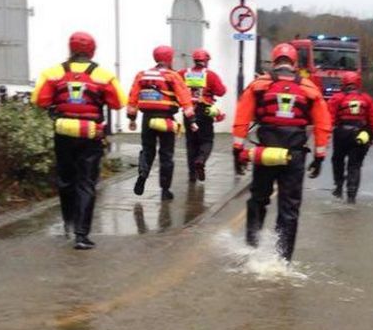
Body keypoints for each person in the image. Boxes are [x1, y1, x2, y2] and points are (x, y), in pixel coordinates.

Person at [232, 43, 331, 262]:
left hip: (265, 154)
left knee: (258, 200)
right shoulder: (309, 88)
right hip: (294, 156)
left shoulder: (259, 85)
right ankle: (282, 259)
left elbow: (241, 119)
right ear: (294, 63)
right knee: (289, 208)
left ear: (274, 61)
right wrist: (319, 157)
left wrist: (237, 151)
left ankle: (251, 248)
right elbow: (323, 125)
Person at [31, 31, 126, 250]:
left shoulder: (53, 73)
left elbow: (39, 99)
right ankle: (81, 236)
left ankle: (68, 223)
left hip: (63, 131)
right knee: (86, 182)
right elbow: (119, 101)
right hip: (90, 134)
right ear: (92, 50)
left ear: (70, 49)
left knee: (66, 179)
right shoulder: (103, 75)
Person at [127, 45, 196, 200]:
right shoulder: (173, 76)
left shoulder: (142, 75)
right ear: (169, 58)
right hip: (166, 119)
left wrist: (132, 118)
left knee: (147, 150)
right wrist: (191, 120)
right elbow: (185, 98)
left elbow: (133, 98)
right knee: (166, 154)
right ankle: (165, 190)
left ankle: (143, 175)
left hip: (147, 118)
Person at [327, 72, 373, 203]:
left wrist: (327, 135)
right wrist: (371, 136)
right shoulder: (367, 99)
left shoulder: (337, 98)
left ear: (344, 83)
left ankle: (339, 186)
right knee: (355, 165)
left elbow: (329, 117)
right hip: (360, 134)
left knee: (337, 160)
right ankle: (351, 195)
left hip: (341, 134)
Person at [179, 48, 226, 182]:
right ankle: (201, 160)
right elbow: (221, 91)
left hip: (188, 111)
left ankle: (192, 175)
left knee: (190, 143)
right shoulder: (210, 75)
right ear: (206, 61)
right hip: (204, 110)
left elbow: (175, 84)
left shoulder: (183, 73)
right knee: (207, 140)